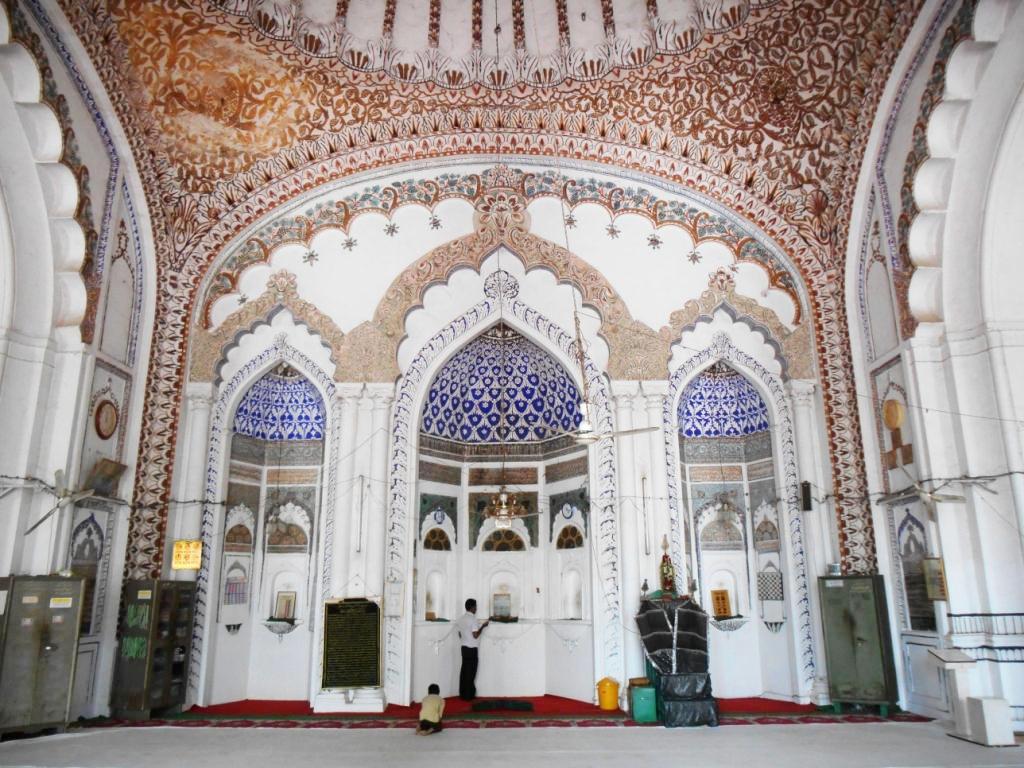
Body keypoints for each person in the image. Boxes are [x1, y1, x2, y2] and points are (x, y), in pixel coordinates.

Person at [455, 598, 489, 700]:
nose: (476, 608)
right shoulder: (473, 619)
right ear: (472, 607)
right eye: (476, 606)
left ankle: (463, 694)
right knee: (471, 672)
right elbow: (475, 635)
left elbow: (460, 634)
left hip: (464, 648)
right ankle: (469, 695)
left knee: (464, 672)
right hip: (472, 649)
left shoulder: (461, 619)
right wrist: (483, 626)